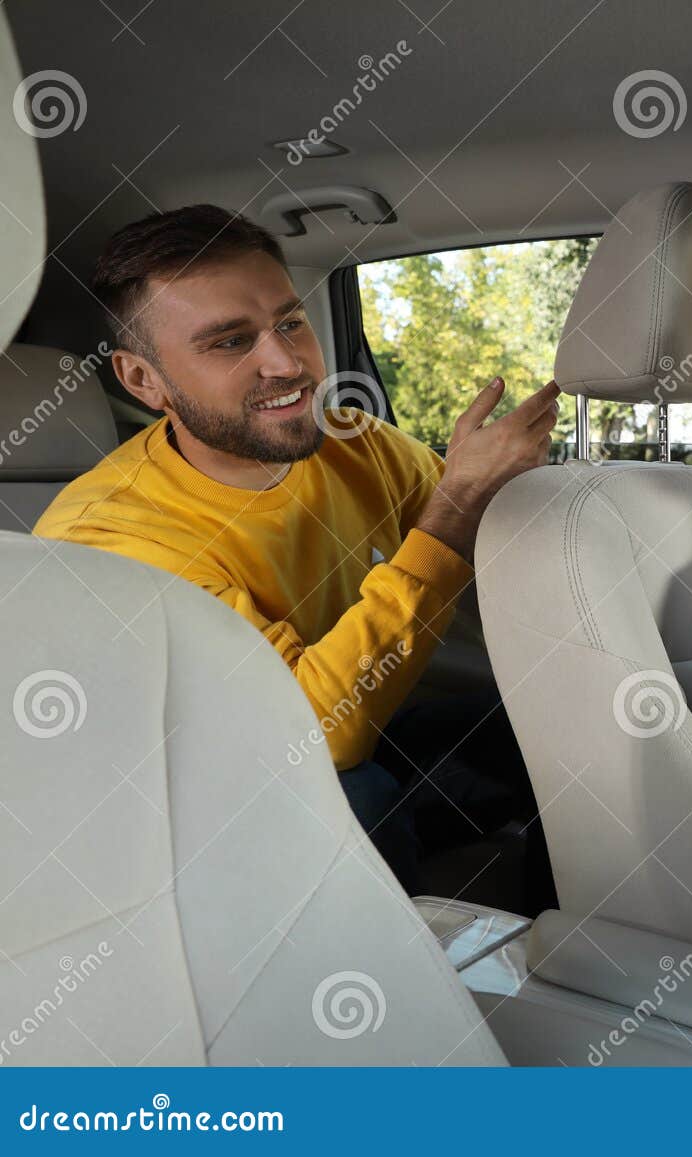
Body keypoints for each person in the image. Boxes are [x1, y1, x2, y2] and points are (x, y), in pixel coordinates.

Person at [34, 204, 555, 907]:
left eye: (289, 322)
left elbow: (494, 545)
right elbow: (312, 733)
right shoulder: (109, 536)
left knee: (556, 717)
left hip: (357, 734)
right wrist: (453, 510)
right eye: (229, 342)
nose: (287, 364)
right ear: (142, 380)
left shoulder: (355, 442)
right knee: (348, 791)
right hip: (201, 801)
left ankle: (594, 947)